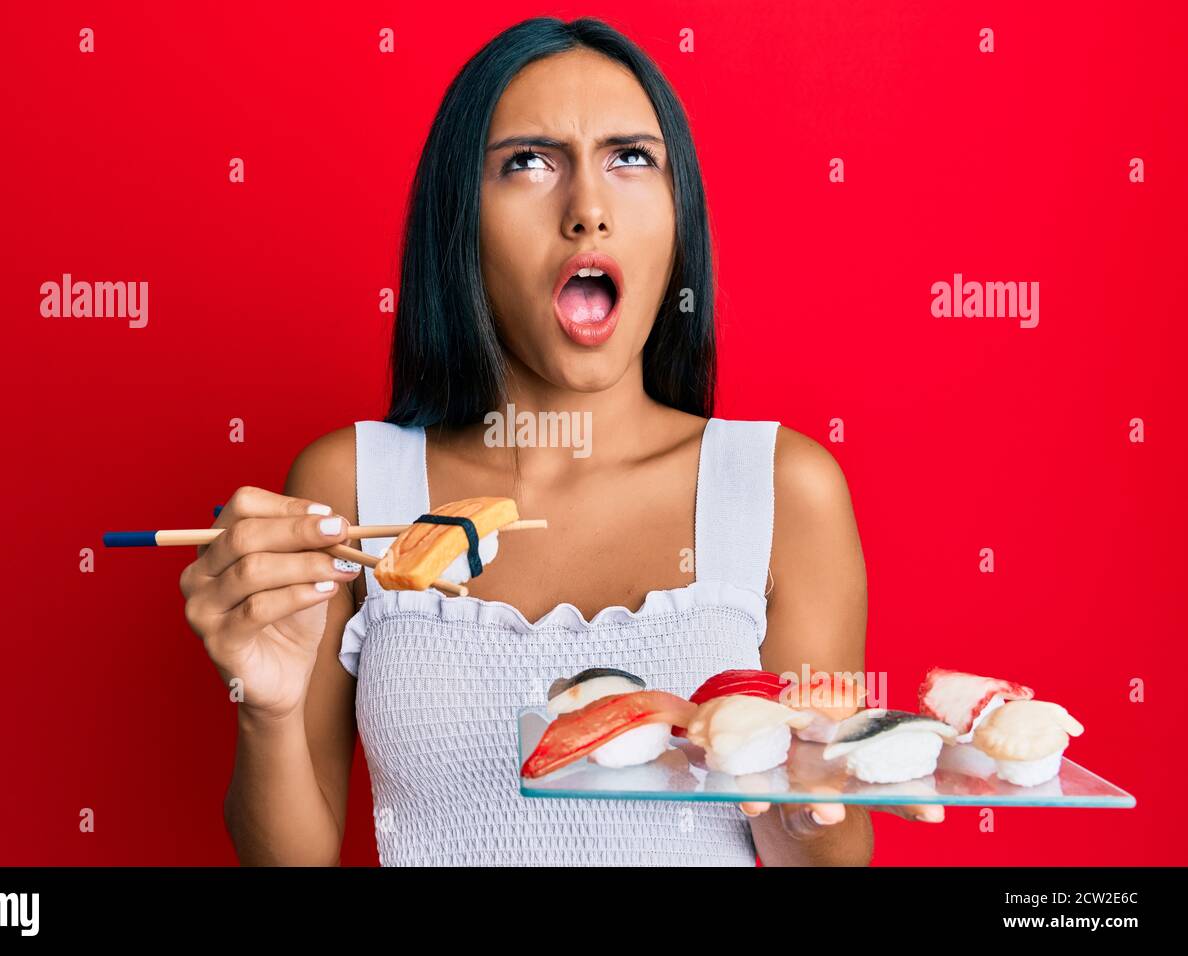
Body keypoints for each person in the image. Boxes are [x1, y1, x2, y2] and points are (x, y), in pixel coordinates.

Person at [180, 16, 941, 866]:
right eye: (528, 162)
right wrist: (267, 707)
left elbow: (825, 850)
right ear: (459, 221)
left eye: (630, 158)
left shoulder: (781, 488)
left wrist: (800, 819)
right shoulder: (352, 490)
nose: (587, 209)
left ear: (679, 215)